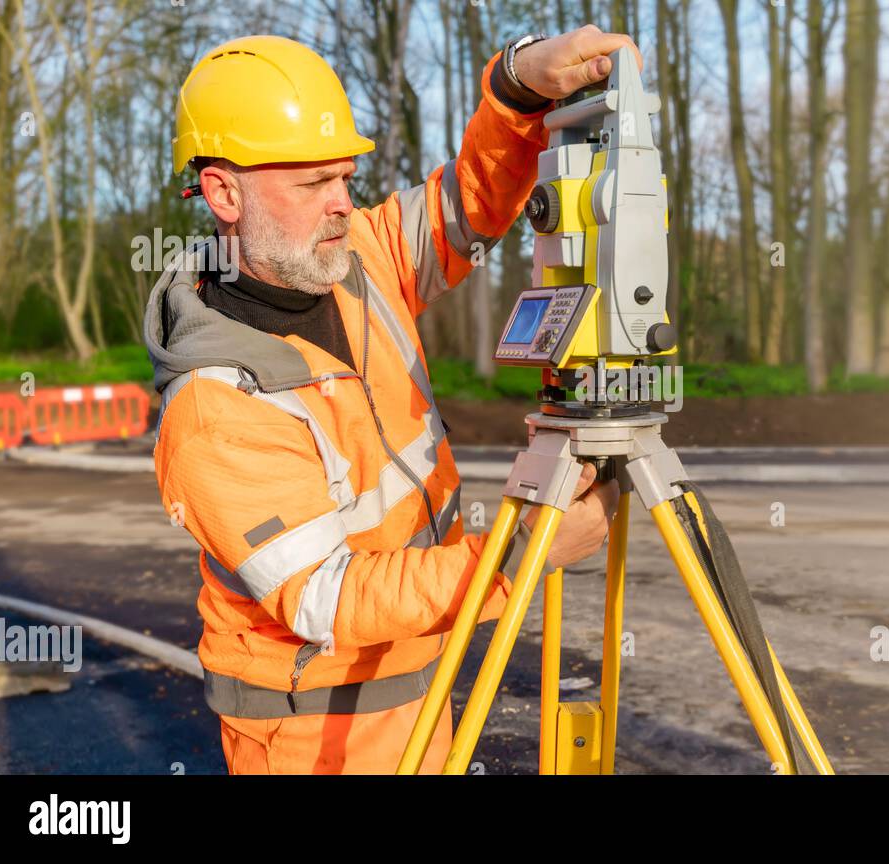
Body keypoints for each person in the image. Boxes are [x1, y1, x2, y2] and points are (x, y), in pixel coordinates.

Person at [144, 25, 642, 774]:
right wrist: (518, 558)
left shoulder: (358, 261)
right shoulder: (214, 408)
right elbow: (331, 600)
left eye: (346, 176)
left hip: (419, 683)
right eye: (313, 184)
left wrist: (516, 86)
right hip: (315, 733)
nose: (343, 203)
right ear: (223, 193)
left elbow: (471, 198)